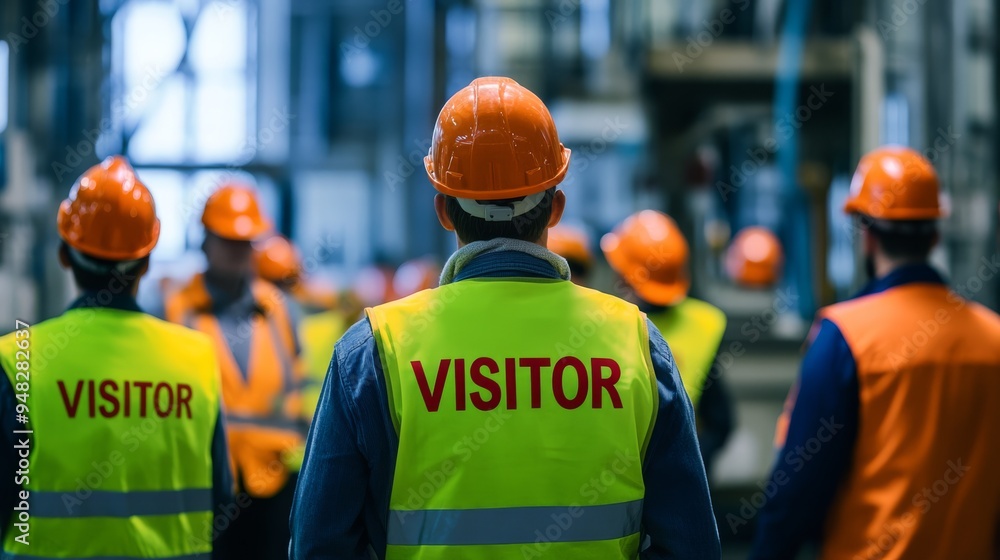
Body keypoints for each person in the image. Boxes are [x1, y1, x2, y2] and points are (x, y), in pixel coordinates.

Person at [290, 77, 720, 559]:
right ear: (556, 208)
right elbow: (692, 546)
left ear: (444, 211)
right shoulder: (636, 343)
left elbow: (318, 545)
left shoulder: (373, 350)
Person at [750, 146, 1000, 559]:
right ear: (935, 236)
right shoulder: (993, 340)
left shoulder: (846, 336)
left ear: (866, 235)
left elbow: (797, 489)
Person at [0, 156, 230, 558]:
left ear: (65, 255)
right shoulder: (196, 359)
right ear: (146, 262)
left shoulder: (18, 358)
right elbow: (222, 497)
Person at [165, 184, 303, 559]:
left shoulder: (279, 309)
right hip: (204, 479)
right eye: (226, 239)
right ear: (204, 241)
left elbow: (300, 385)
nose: (236, 249)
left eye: (244, 241)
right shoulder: (176, 309)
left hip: (276, 481)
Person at [601, 210, 734, 476]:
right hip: (681, 475)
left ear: (625, 277)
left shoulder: (602, 324)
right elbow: (721, 422)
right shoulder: (704, 323)